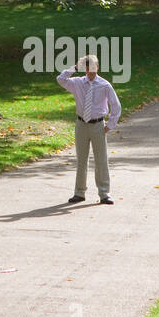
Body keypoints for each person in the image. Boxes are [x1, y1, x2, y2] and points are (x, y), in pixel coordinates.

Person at [56, 54, 122, 204]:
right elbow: (60, 79)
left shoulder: (104, 85)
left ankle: (104, 193)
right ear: (84, 68)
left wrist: (109, 125)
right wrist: (74, 67)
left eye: (93, 67)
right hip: (81, 124)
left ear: (97, 67)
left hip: (98, 125)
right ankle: (79, 192)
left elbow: (116, 106)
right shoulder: (77, 82)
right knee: (81, 159)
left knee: (101, 160)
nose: (90, 71)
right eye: (87, 68)